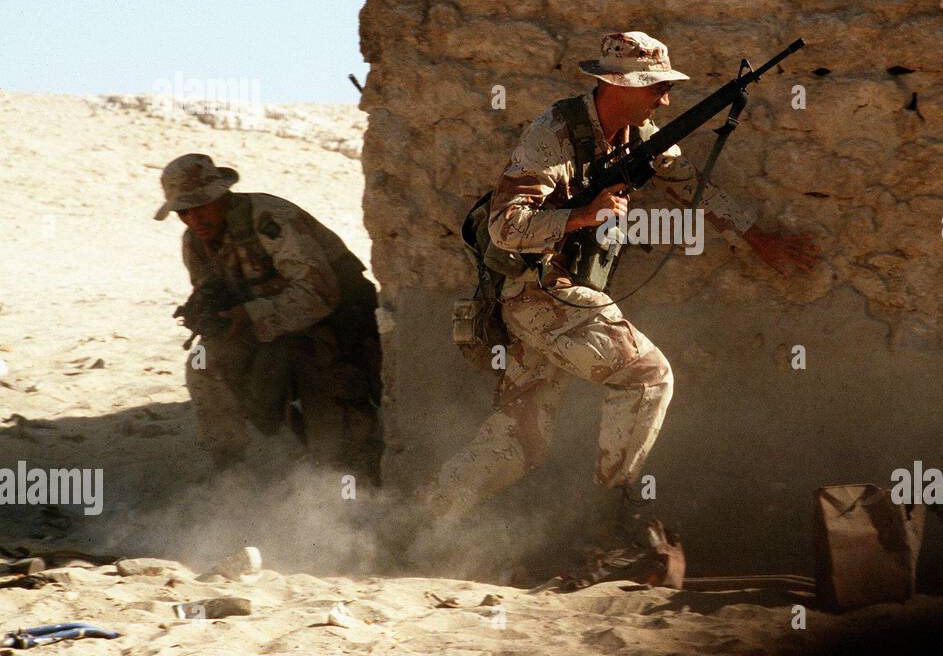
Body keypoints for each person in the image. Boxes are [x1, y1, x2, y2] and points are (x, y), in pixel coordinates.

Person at [423, 31, 818, 547]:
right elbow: (505, 227)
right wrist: (585, 215)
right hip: (537, 290)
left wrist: (755, 236)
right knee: (647, 377)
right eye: (656, 87)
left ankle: (418, 522)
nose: (665, 99)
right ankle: (610, 528)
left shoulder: (639, 136)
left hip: (557, 297)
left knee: (517, 443)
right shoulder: (555, 135)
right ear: (618, 84)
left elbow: (692, 184)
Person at [156, 153, 383, 481]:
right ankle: (230, 470)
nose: (195, 219)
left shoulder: (271, 218)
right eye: (184, 211)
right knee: (204, 364)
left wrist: (250, 314)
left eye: (202, 205)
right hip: (269, 328)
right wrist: (210, 313)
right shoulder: (196, 242)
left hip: (331, 323)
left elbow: (320, 294)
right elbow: (213, 291)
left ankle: (354, 489)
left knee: (335, 440)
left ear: (222, 195)